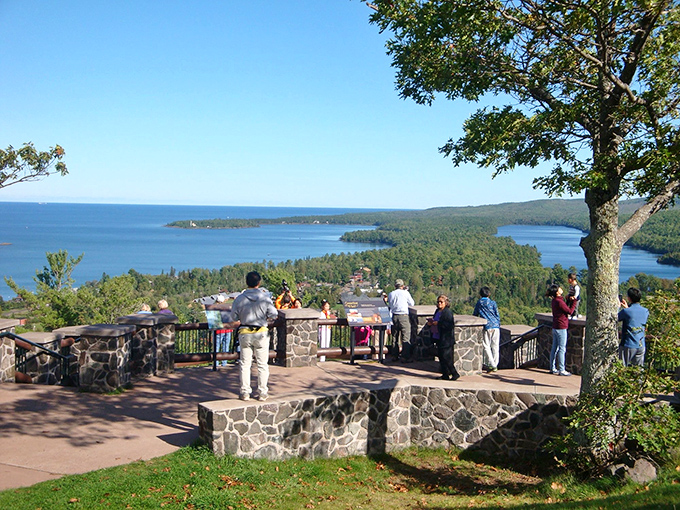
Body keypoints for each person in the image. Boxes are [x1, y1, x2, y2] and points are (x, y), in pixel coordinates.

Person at [229, 271, 278, 401]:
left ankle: (245, 392)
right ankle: (262, 392)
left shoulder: (239, 298)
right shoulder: (265, 298)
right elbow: (274, 314)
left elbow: (233, 316)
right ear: (259, 283)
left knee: (245, 364)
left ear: (247, 282)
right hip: (261, 333)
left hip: (245, 332)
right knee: (262, 364)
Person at [546, 284, 578, 376]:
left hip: (555, 326)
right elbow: (569, 311)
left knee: (554, 348)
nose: (561, 288)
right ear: (557, 292)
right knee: (562, 348)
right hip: (561, 327)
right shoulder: (559, 302)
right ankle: (561, 369)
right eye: (559, 288)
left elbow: (564, 308)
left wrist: (567, 300)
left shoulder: (555, 301)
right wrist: (574, 302)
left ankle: (552, 368)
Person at [427, 295, 460, 380]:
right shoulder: (437, 311)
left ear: (446, 303)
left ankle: (454, 373)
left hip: (446, 339)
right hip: (438, 337)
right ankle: (445, 375)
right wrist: (431, 324)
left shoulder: (447, 312)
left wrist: (438, 323)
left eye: (441, 302)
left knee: (446, 357)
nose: (439, 303)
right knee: (441, 357)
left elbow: (449, 325)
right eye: (438, 302)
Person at [618, 287, 649, 367]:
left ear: (629, 298)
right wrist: (628, 308)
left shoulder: (626, 312)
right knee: (638, 371)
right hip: (640, 344)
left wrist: (618, 307)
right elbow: (635, 318)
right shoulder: (645, 311)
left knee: (622, 368)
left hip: (628, 344)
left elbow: (615, 318)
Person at [473, 286, 501, 372]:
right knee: (495, 346)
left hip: (487, 326)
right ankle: (495, 364)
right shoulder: (493, 303)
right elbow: (497, 314)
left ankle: (492, 364)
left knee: (486, 346)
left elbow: (475, 314)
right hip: (496, 326)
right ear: (489, 294)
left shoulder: (479, 303)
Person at [387, 279, 415, 362]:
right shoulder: (405, 293)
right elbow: (412, 303)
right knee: (405, 337)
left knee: (395, 337)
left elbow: (390, 305)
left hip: (394, 316)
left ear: (395, 286)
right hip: (403, 316)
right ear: (402, 286)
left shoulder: (391, 294)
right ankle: (405, 356)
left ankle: (394, 355)